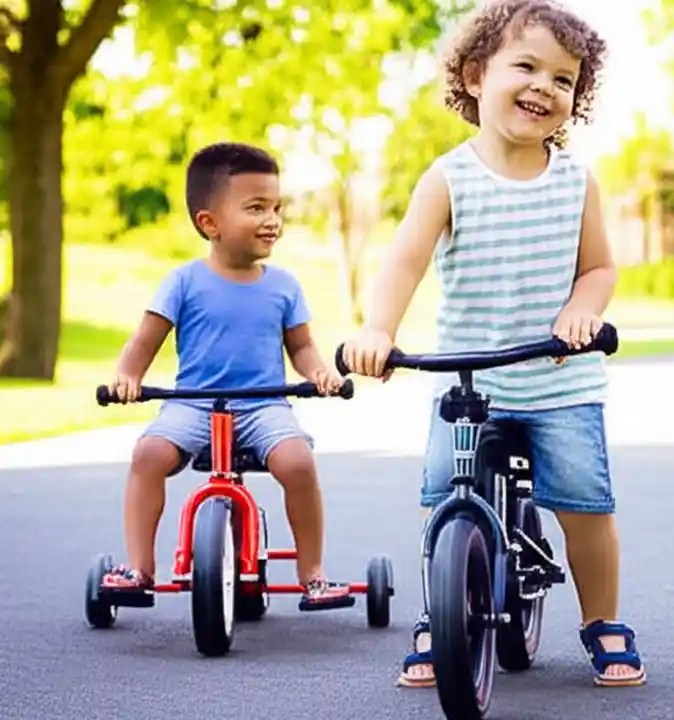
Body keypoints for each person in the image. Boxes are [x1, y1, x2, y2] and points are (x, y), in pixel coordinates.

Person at [340, 0, 645, 689]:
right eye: (526, 67)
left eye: (563, 79)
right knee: (442, 494)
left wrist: (581, 311)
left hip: (559, 381)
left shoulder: (575, 181)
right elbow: (404, 262)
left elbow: (599, 268)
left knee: (585, 504)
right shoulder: (448, 178)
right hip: (468, 380)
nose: (544, 87)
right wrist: (379, 330)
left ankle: (603, 620)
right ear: (476, 76)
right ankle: (439, 616)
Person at [103, 141, 351, 609]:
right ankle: (140, 569)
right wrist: (127, 375)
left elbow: (301, 347)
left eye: (276, 208)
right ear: (209, 223)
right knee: (148, 455)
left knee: (298, 463)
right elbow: (144, 340)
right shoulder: (183, 281)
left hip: (263, 404)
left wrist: (319, 372)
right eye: (256, 208)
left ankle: (312, 574)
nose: (272, 220)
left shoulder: (284, 286)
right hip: (194, 403)